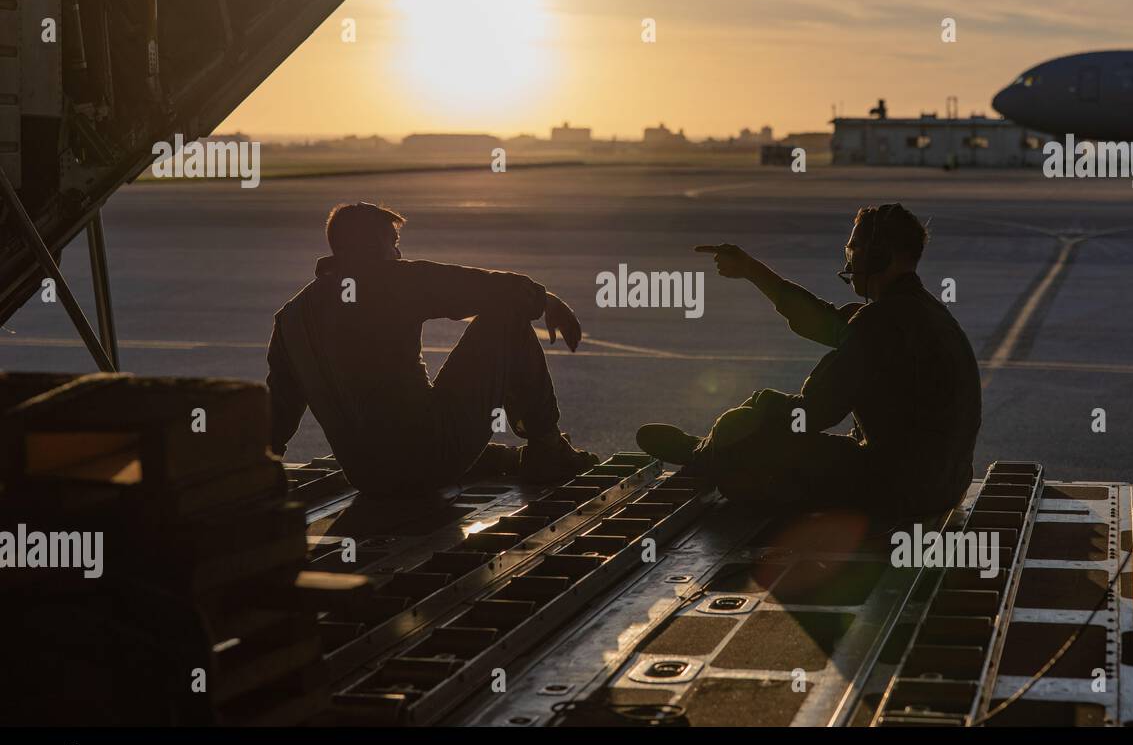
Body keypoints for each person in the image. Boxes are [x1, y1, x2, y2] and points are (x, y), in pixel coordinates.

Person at [637, 203, 981, 530]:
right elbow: (822, 320)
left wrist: (758, 409)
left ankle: (708, 454)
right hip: (943, 483)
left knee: (761, 442)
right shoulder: (921, 312)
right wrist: (752, 271)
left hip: (899, 489)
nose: (850, 261)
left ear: (878, 257)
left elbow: (813, 413)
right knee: (763, 429)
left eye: (854, 252)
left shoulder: (880, 322)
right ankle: (713, 449)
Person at [266, 202, 599, 495]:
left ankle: (501, 457)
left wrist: (257, 473)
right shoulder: (388, 281)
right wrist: (545, 301)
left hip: (366, 476)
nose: (398, 254)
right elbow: (482, 287)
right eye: (393, 244)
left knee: (409, 422)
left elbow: (277, 415)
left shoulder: (291, 318)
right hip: (428, 458)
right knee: (507, 319)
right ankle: (547, 449)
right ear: (370, 245)